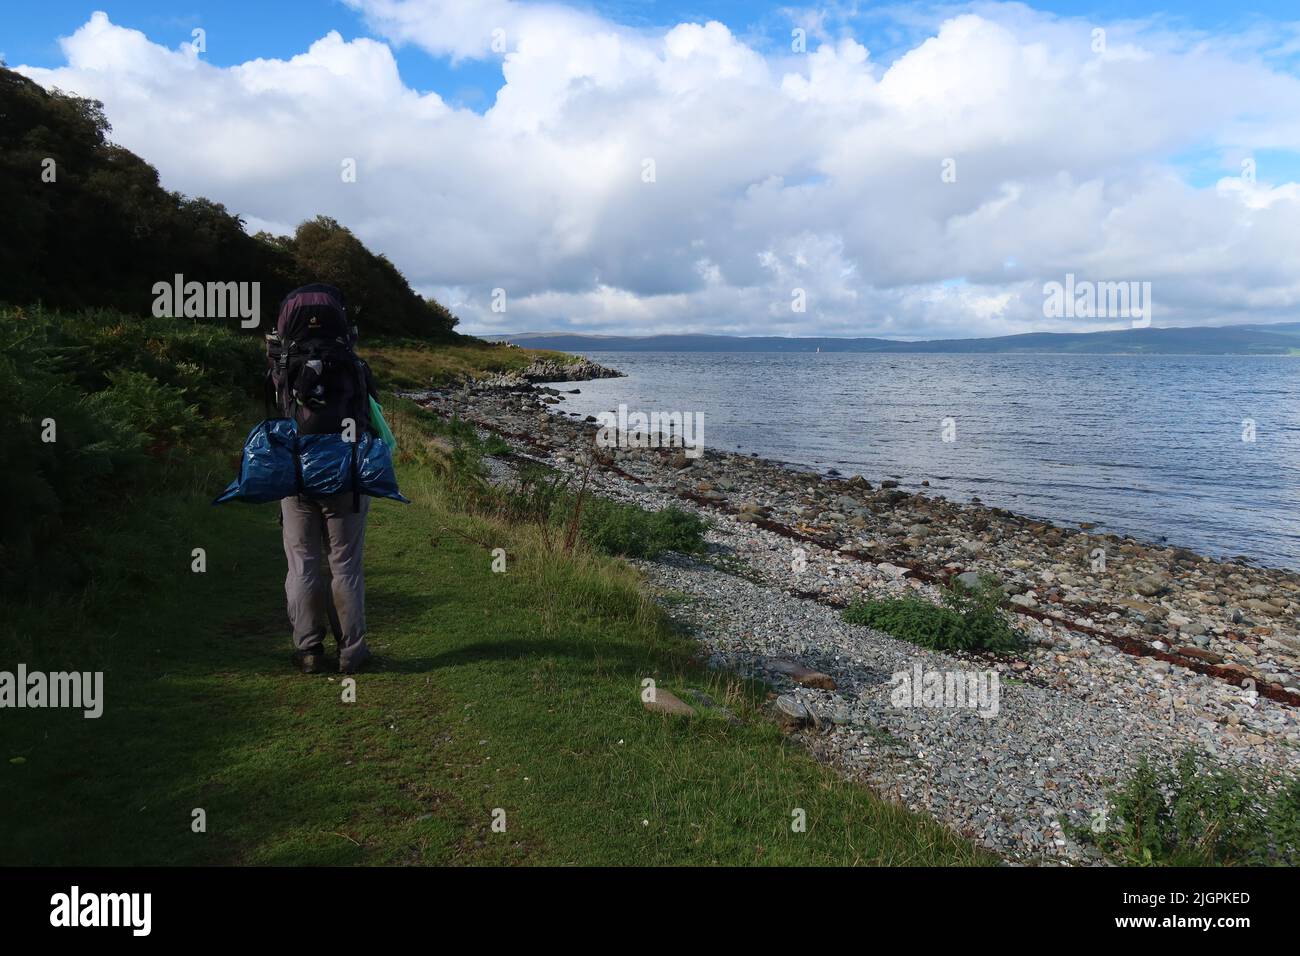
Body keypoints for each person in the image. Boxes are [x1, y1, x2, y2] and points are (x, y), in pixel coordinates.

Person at [266, 283, 379, 675]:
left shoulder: (282, 364)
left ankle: (309, 651)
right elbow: (371, 417)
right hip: (345, 474)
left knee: (302, 563)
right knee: (345, 564)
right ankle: (353, 651)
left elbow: (273, 412)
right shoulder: (352, 365)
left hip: (296, 474)